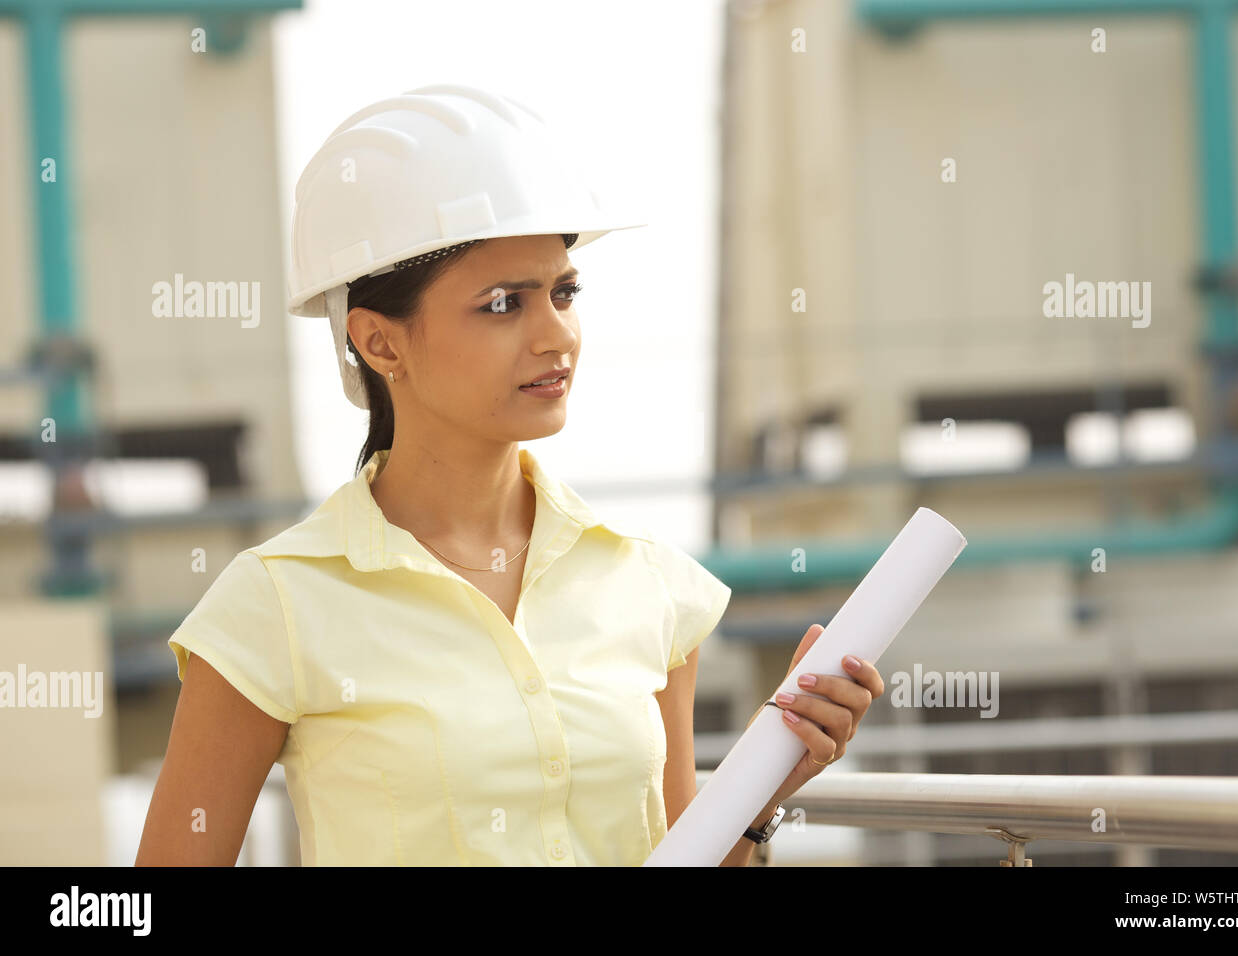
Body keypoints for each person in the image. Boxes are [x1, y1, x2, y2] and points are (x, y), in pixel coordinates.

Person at [135, 84, 884, 867]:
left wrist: (767, 783)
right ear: (380, 343)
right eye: (502, 304)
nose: (555, 334)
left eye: (564, 292)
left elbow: (683, 856)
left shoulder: (644, 580)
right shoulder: (278, 604)